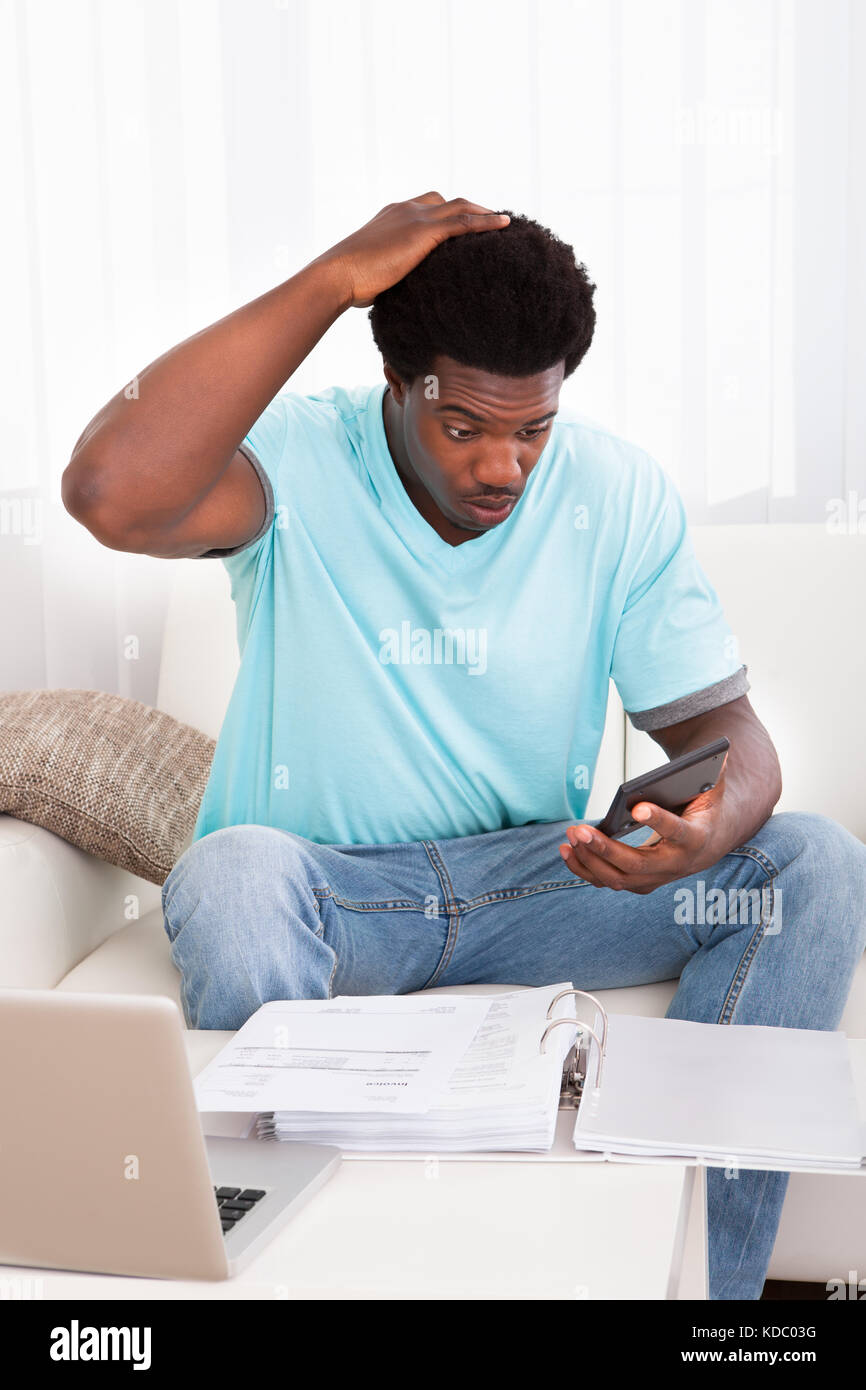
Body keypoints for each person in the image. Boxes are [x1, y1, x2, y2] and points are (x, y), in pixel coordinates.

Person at [62, 192, 866, 1300]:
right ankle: (306, 1274)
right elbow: (107, 490)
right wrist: (332, 278)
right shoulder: (294, 459)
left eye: (531, 429)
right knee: (232, 872)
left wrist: (709, 824)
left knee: (809, 865)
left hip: (535, 880)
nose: (505, 469)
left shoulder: (611, 490)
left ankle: (704, 1297)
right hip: (331, 900)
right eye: (464, 427)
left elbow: (729, 736)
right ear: (400, 385)